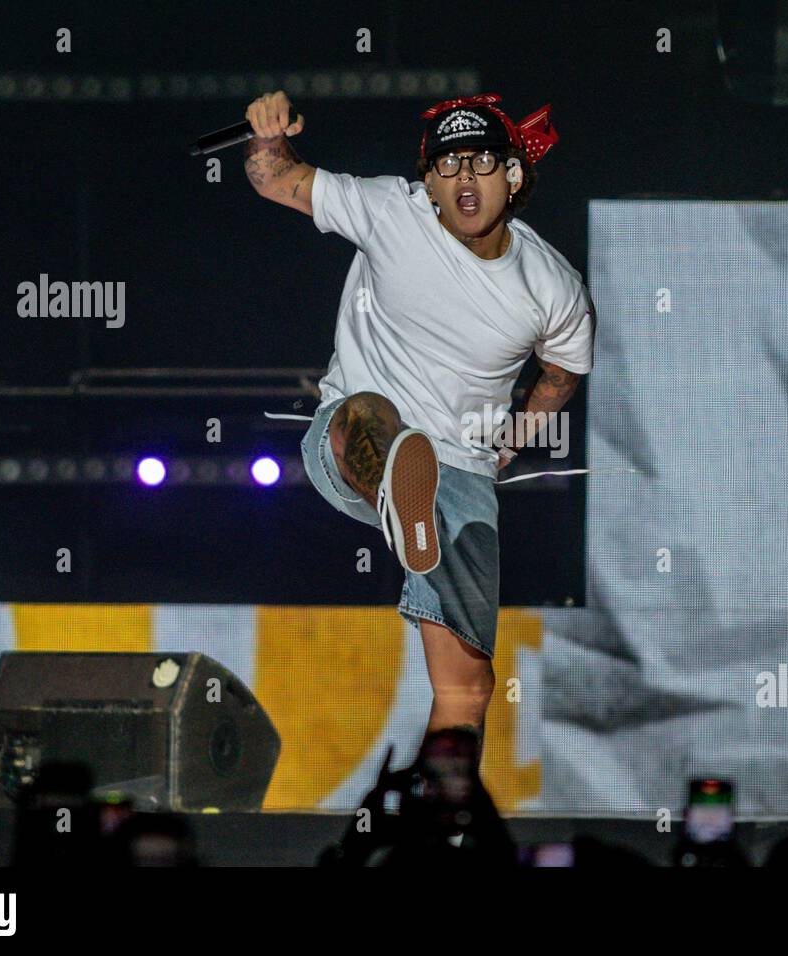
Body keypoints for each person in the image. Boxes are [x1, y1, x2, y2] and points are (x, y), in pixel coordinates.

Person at [243, 91, 594, 760]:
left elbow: (560, 375)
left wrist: (509, 447)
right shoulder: (390, 211)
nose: (464, 178)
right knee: (370, 415)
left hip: (461, 474)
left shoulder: (554, 288)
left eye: (482, 161)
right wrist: (266, 135)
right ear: (428, 179)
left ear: (513, 176)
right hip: (352, 442)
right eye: (449, 164)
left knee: (468, 686)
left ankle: (445, 826)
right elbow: (275, 178)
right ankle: (397, 487)